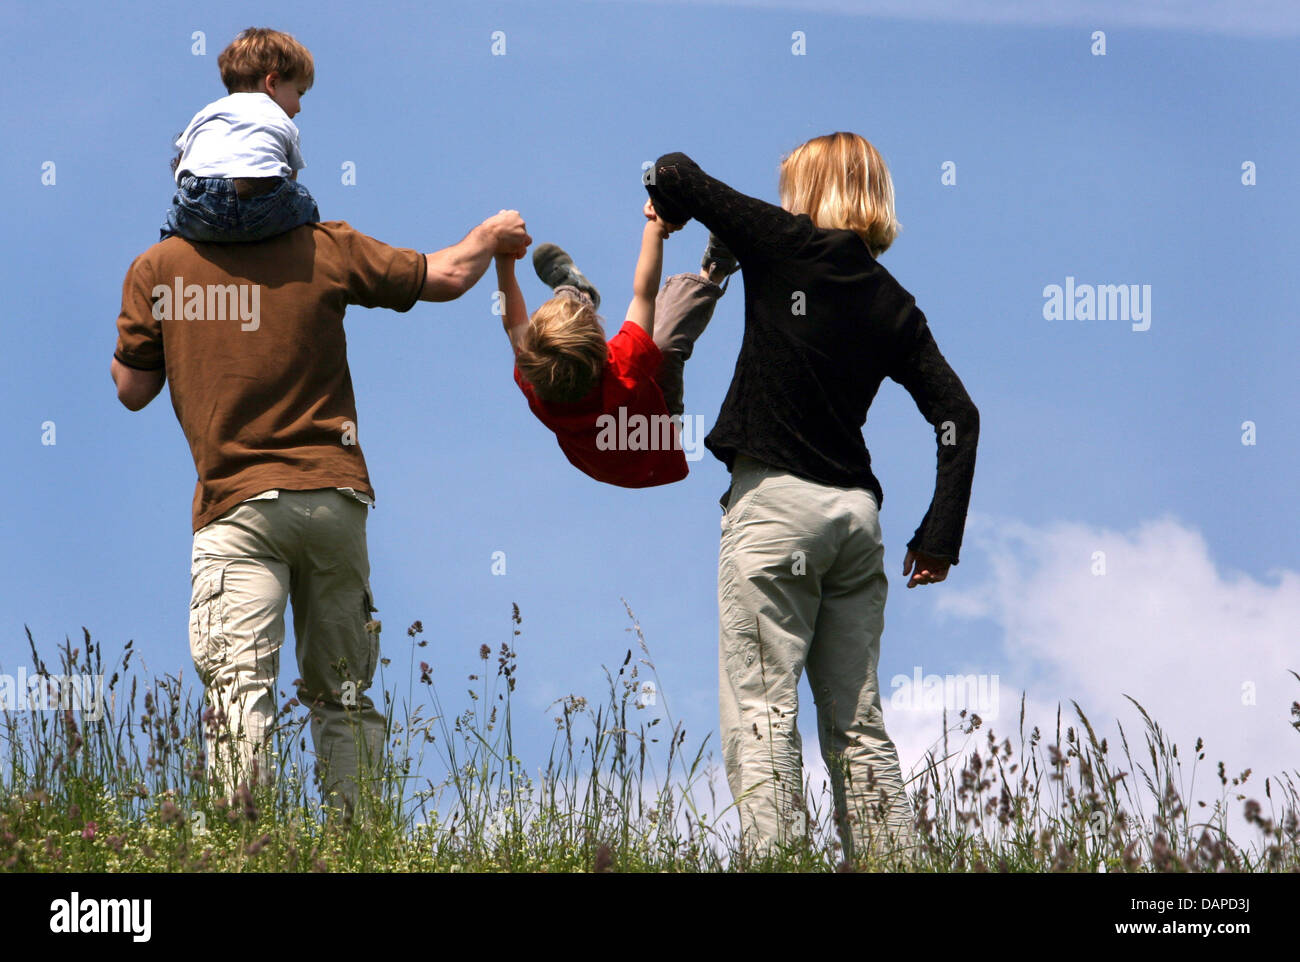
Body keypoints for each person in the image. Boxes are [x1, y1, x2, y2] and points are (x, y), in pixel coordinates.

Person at [112, 208, 531, 818]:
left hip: (237, 509)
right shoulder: (324, 247)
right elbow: (444, 275)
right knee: (345, 693)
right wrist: (490, 239)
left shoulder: (158, 269)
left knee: (240, 689)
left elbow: (131, 389)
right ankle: (360, 840)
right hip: (332, 499)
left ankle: (241, 847)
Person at [645, 133, 980, 867]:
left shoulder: (783, 242)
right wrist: (939, 535)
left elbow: (674, 169)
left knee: (763, 708)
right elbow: (960, 415)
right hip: (856, 522)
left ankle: (777, 863)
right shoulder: (894, 303)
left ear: (811, 190)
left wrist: (663, 207)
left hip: (777, 509)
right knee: (857, 724)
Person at [498, 199, 736, 487]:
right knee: (662, 346)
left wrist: (503, 258)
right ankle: (715, 270)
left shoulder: (537, 377)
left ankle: (576, 292)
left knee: (555, 342)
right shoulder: (624, 367)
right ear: (603, 348)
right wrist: (656, 228)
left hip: (602, 460)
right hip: (653, 441)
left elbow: (513, 323)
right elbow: (643, 295)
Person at [161, 28, 320, 243]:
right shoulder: (279, 117)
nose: (299, 107)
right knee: (304, 200)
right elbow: (290, 178)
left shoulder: (208, 112)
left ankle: (169, 247)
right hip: (259, 203)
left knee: (173, 219)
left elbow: (182, 162)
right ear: (272, 83)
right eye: (298, 93)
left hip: (201, 205)